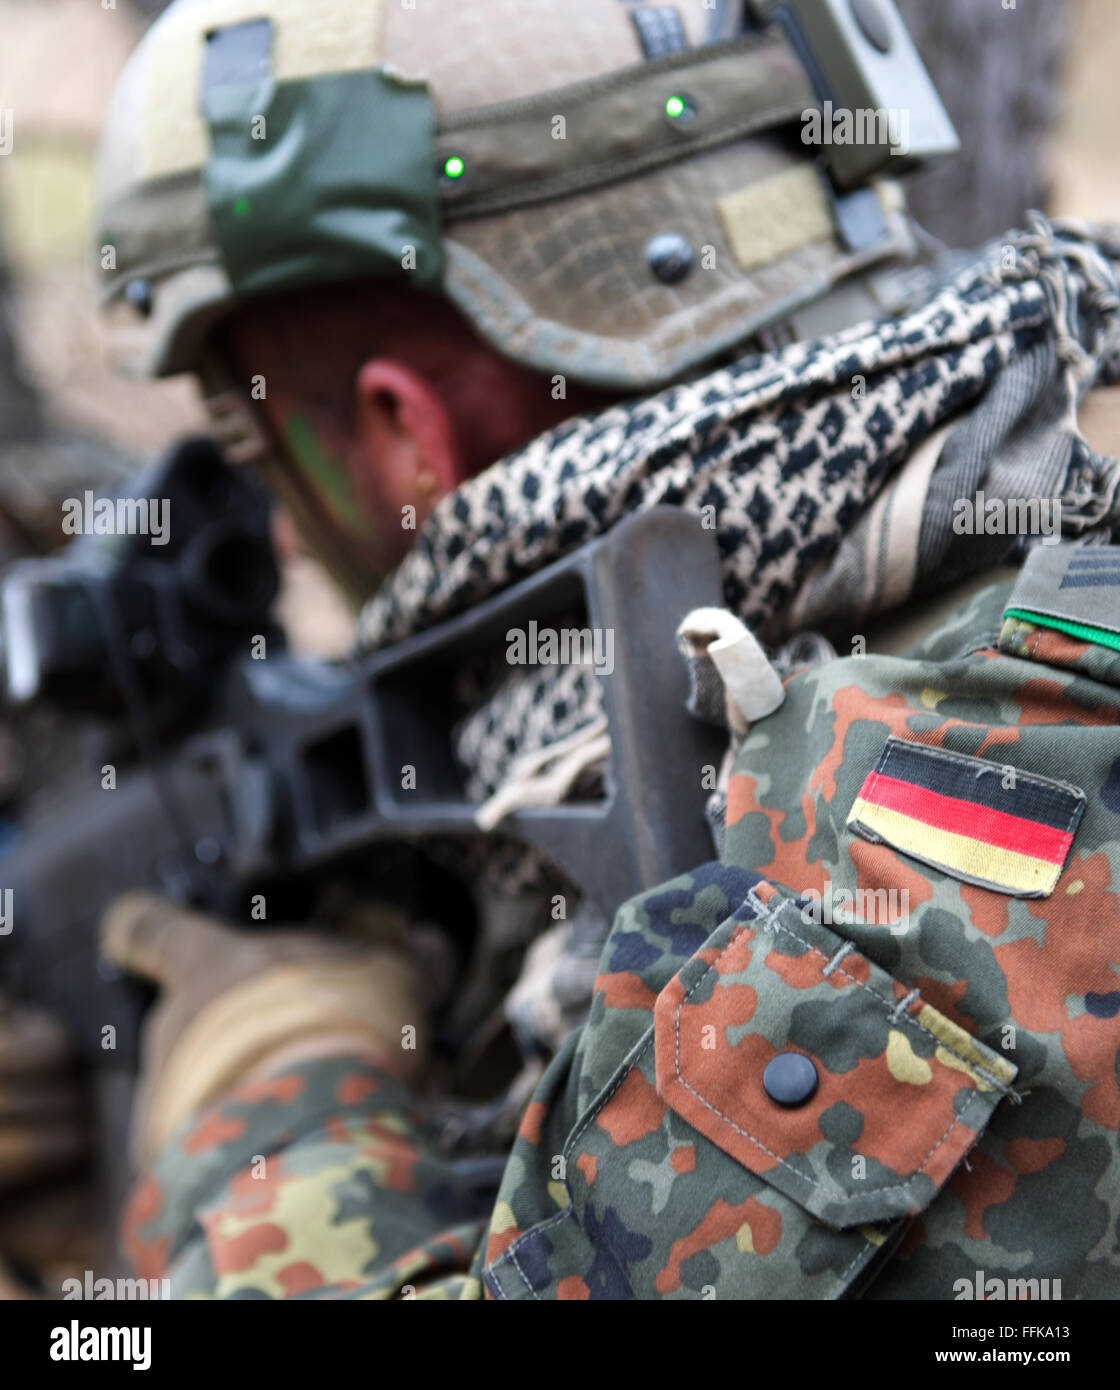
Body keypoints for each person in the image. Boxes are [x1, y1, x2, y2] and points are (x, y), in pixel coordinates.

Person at [50, 0, 1120, 1298]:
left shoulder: (966, 768)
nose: (278, 531)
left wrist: (265, 1089)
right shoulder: (964, 568)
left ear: (406, 442)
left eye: (250, 443)